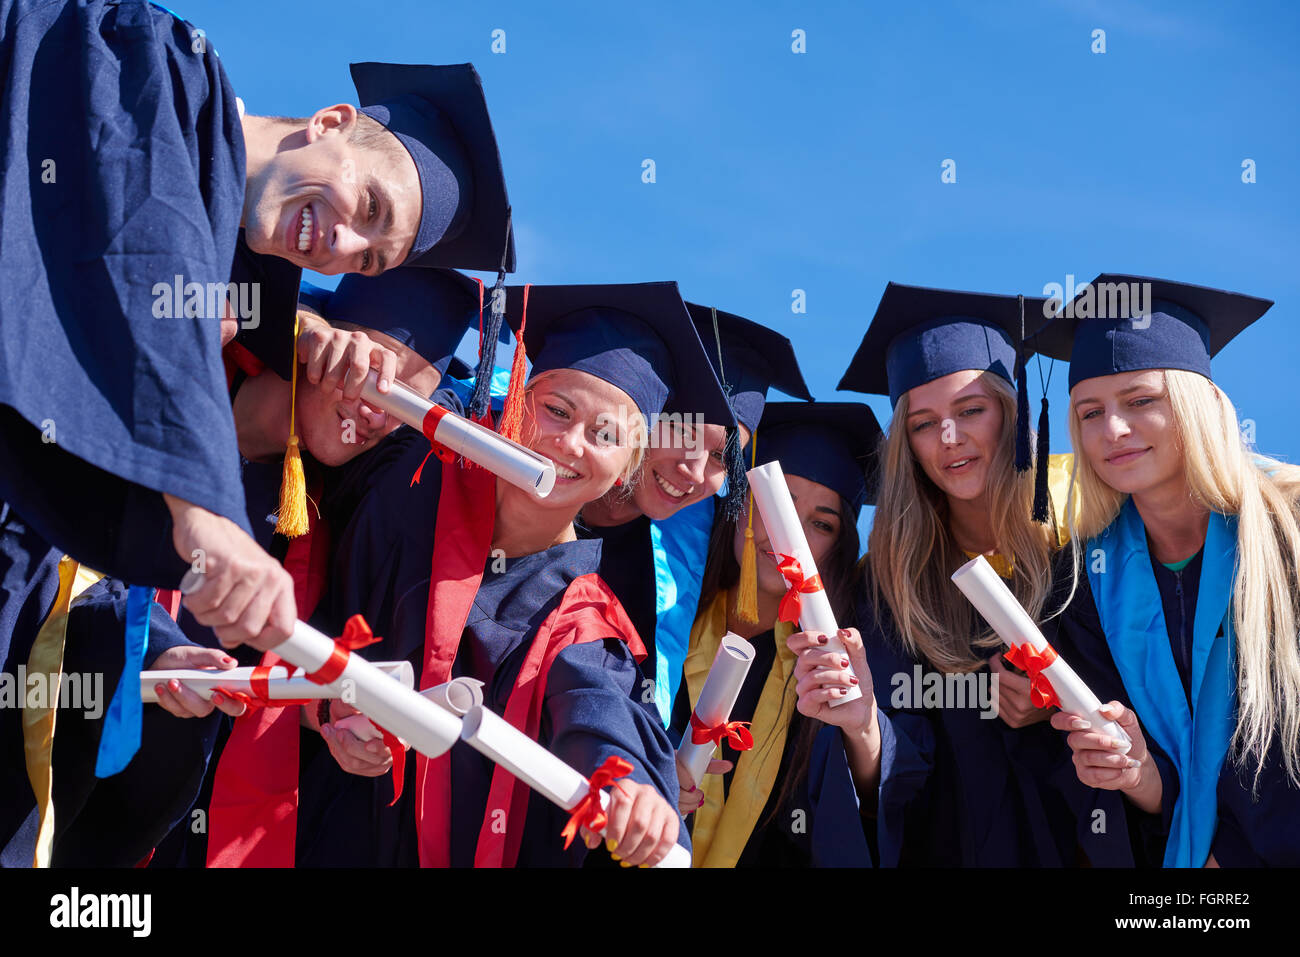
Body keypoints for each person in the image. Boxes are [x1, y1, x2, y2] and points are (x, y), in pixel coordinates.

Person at [0, 0, 513, 655]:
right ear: (331, 122)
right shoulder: (163, 62)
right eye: (369, 205)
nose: (343, 244)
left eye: (368, 259)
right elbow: (151, 246)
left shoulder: (226, 270)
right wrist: (203, 511)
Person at [299, 281, 727, 867]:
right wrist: (326, 705)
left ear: (627, 466)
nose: (569, 444)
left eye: (605, 436)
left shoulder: (580, 616)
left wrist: (630, 788)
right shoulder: (410, 474)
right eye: (556, 410)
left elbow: (596, 711)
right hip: (298, 816)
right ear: (517, 400)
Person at [828, 281, 1138, 866]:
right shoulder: (890, 582)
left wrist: (1057, 704)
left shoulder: (1090, 519)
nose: (951, 439)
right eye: (923, 423)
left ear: (1010, 411)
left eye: (971, 410)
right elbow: (892, 754)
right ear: (906, 444)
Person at [1034, 274, 1300, 866]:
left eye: (1141, 401)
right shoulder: (1082, 585)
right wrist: (1137, 775)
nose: (1113, 431)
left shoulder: (1289, 534)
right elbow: (1143, 799)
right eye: (1090, 411)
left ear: (1194, 405)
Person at [579, 303, 810, 724]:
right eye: (683, 432)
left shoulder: (694, 554)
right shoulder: (530, 486)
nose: (694, 470)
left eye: (722, 458)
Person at [674, 401, 883, 867]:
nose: (792, 536)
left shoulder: (832, 664)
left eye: (822, 523)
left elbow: (870, 806)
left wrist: (862, 726)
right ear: (738, 505)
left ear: (840, 546)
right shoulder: (664, 615)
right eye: (776, 505)